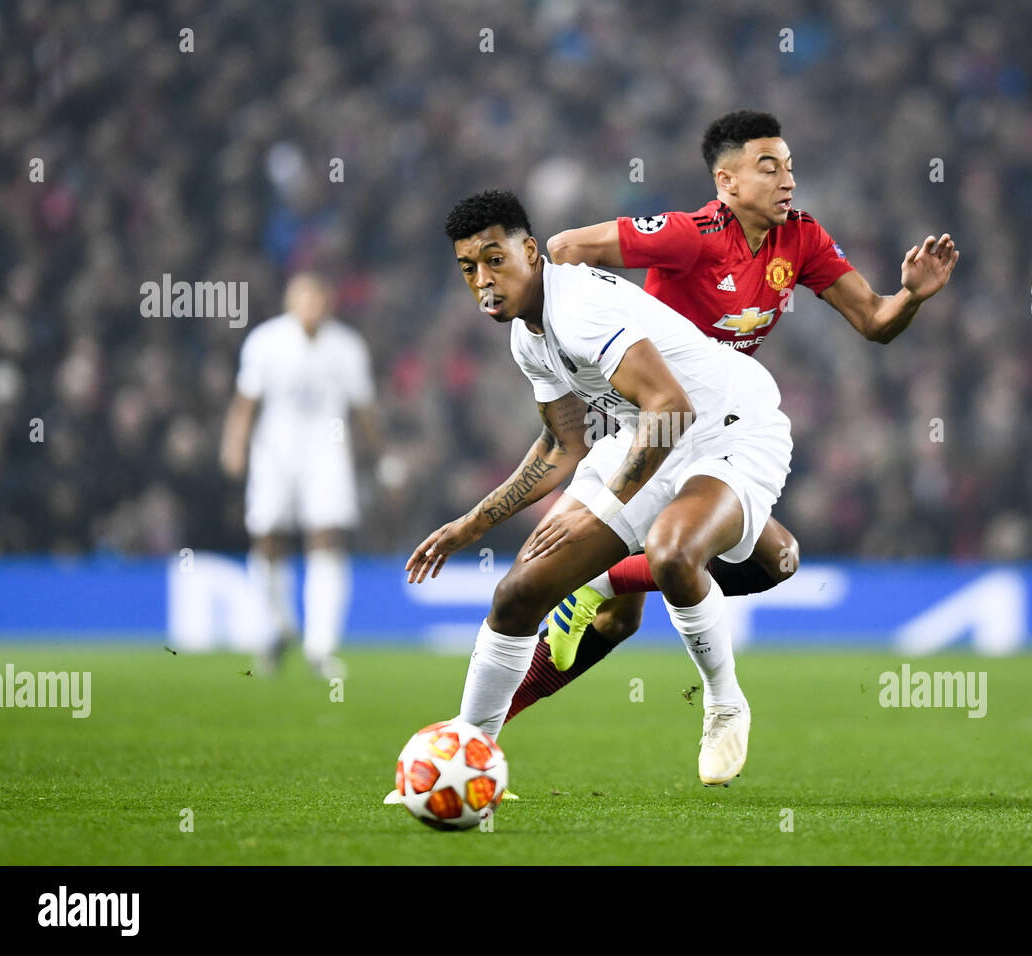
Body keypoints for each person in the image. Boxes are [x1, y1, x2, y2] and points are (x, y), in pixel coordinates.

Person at [506, 110, 959, 719]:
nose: (787, 180)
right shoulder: (687, 234)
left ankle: (603, 580)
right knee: (623, 613)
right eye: (768, 167)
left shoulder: (801, 239)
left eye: (790, 167)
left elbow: (875, 322)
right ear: (727, 181)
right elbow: (563, 248)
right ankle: (483, 731)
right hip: (657, 427)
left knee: (775, 562)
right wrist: (591, 342)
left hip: (720, 430)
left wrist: (910, 296)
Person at [406, 189, 795, 784]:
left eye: (495, 259)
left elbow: (672, 406)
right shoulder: (527, 338)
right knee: (517, 595)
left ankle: (724, 705)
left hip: (730, 428)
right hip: (649, 434)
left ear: (530, 251)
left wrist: (604, 509)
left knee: (671, 552)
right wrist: (475, 523)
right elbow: (564, 446)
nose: (483, 280)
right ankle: (467, 755)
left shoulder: (578, 305)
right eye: (468, 268)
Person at [220, 273, 379, 678]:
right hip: (273, 452)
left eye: (317, 298)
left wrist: (381, 456)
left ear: (327, 302)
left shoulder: (346, 347)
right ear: (291, 302)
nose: (311, 306)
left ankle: (320, 646)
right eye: (303, 298)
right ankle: (277, 628)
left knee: (326, 536)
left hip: (327, 450)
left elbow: (363, 409)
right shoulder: (266, 341)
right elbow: (246, 401)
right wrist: (235, 444)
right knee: (268, 537)